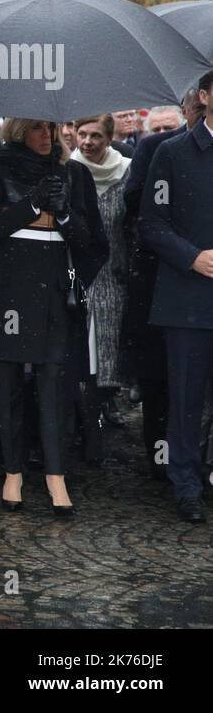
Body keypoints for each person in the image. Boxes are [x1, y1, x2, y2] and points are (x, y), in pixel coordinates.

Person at [0, 118, 103, 517]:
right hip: (5, 294)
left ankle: (56, 476)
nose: (47, 135)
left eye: (51, 127)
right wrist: (31, 203)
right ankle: (13, 472)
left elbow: (92, 241)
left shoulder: (74, 173)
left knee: (55, 389)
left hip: (54, 295)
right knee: (6, 386)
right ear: (19, 130)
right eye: (37, 128)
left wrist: (62, 214)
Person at [140, 69, 213, 522]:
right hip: (187, 300)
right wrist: (193, 258)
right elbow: (151, 223)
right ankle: (185, 484)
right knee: (184, 400)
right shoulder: (172, 153)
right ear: (204, 97)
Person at [71, 114, 132, 444]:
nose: (87, 142)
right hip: (79, 275)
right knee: (82, 349)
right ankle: (83, 418)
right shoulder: (68, 170)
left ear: (109, 138)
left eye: (95, 135)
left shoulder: (127, 171)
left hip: (114, 272)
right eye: (82, 134)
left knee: (108, 347)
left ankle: (105, 404)